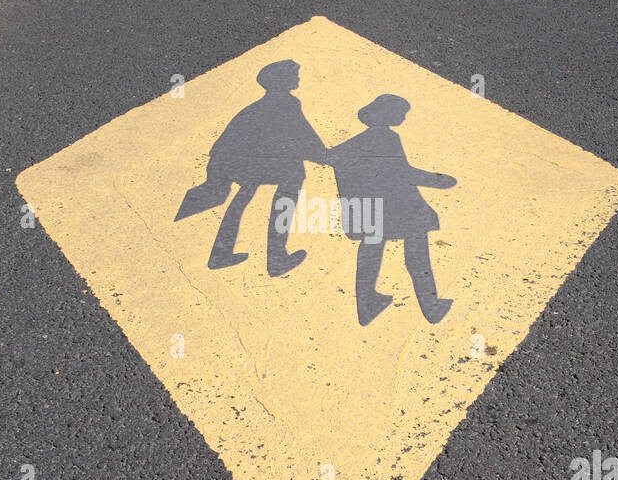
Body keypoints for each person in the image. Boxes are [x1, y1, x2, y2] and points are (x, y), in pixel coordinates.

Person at [175, 61, 326, 277]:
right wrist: (324, 155)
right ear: (281, 80)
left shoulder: (262, 104)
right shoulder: (288, 102)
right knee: (292, 178)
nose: (298, 78)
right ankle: (277, 258)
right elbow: (303, 134)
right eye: (293, 75)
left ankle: (220, 253)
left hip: (234, 160)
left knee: (245, 194)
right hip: (243, 159)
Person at [329, 94, 455, 326]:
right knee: (417, 256)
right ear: (384, 112)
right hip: (401, 208)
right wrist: (438, 180)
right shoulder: (386, 137)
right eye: (400, 112)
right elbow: (403, 172)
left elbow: (335, 157)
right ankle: (431, 306)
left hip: (377, 209)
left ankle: (367, 304)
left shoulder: (362, 139)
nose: (403, 116)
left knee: (372, 248)